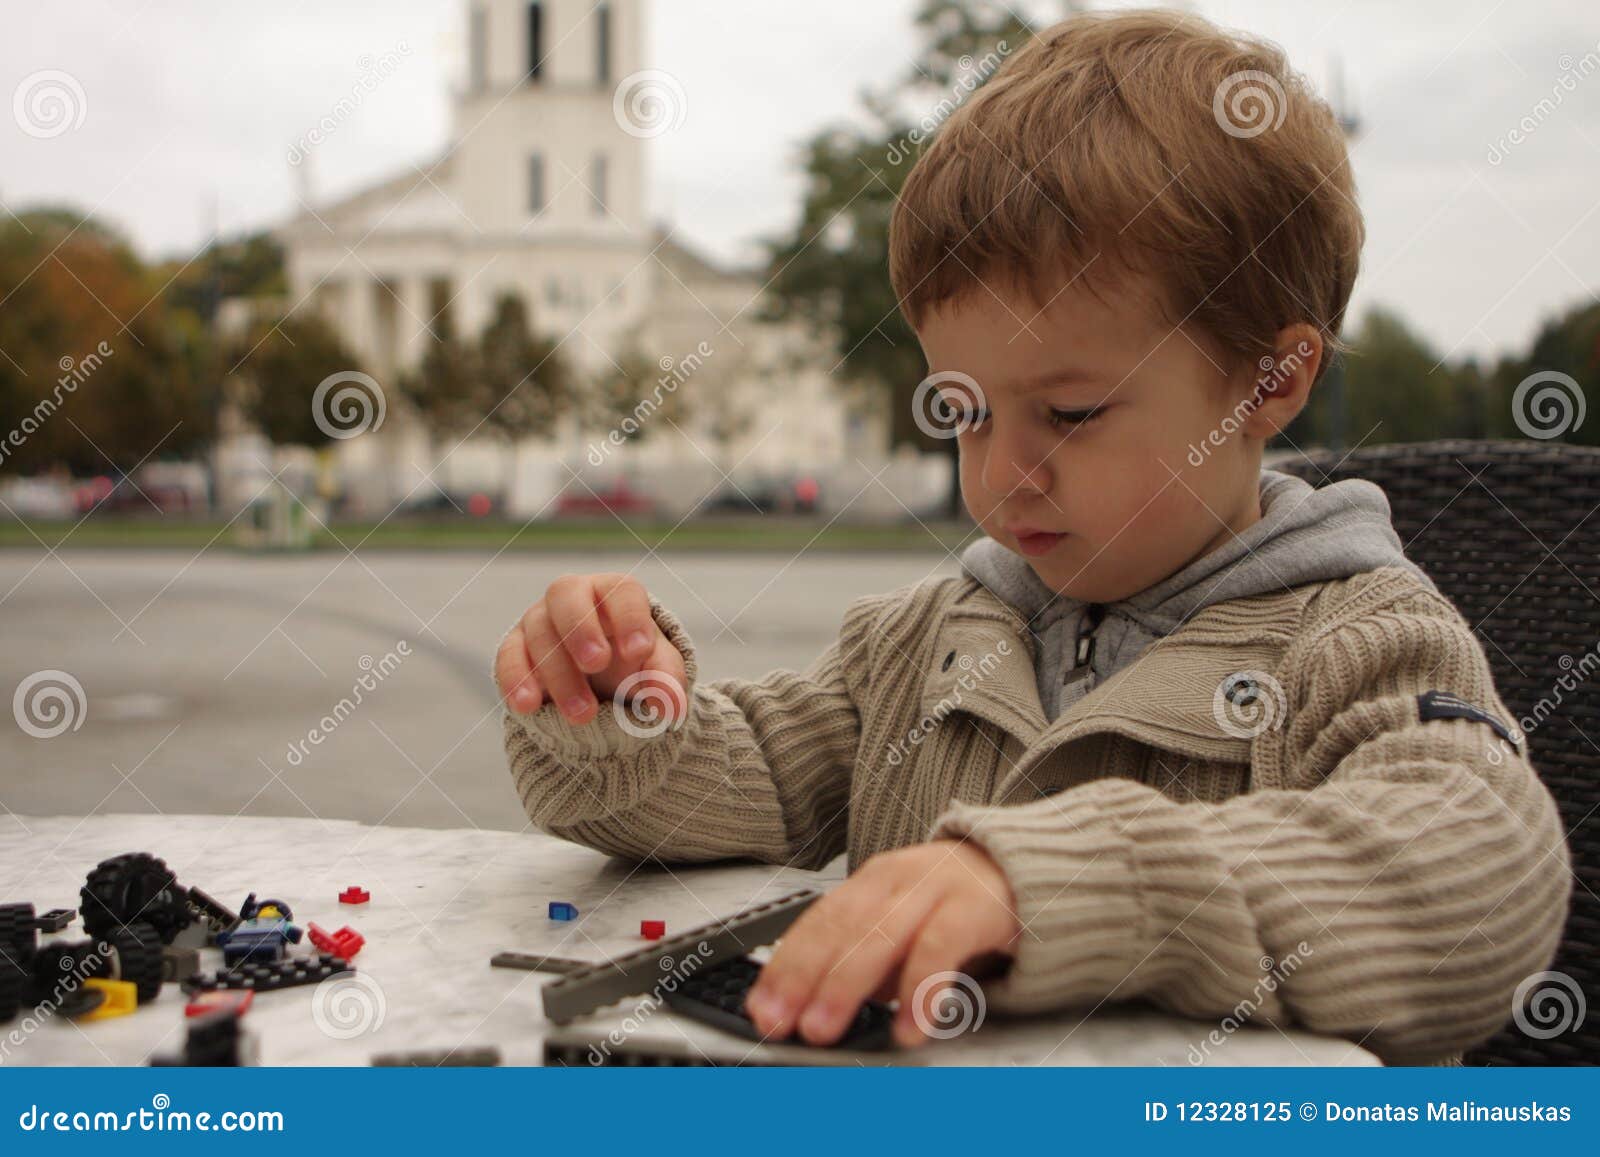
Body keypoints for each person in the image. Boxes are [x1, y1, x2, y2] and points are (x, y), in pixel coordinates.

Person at [492, 8, 1569, 1065]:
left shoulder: (1360, 641)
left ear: (1268, 381)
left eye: (1070, 413)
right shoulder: (924, 642)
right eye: (964, 412)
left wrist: (1058, 885)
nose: (1002, 474)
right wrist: (611, 704)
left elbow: (1479, 875)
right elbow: (746, 782)